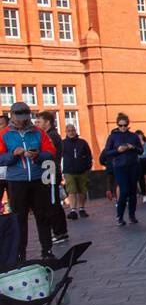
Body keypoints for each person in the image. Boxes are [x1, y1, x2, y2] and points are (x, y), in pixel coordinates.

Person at [0, 102, 57, 260]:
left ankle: (47, 251)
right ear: (12, 116)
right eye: (19, 118)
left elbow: (51, 152)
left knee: (43, 216)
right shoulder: (4, 134)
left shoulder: (38, 132)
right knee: (19, 219)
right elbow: (1, 158)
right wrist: (13, 154)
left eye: (25, 118)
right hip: (17, 182)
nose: (22, 121)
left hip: (38, 179)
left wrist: (38, 155)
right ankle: (20, 254)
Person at [101, 113, 143, 227]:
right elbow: (107, 152)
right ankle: (120, 216)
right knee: (124, 191)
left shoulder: (133, 136)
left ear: (128, 125)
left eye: (125, 125)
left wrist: (133, 147)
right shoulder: (113, 136)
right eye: (120, 125)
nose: (123, 128)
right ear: (117, 125)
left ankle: (132, 215)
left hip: (133, 165)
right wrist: (118, 150)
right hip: (119, 166)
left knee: (133, 191)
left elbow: (141, 150)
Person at [36, 112, 70, 243]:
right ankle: (60, 231)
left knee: (52, 203)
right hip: (49, 172)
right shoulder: (50, 135)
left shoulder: (51, 136)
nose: (37, 124)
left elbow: (48, 154)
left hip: (50, 172)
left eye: (39, 122)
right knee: (53, 202)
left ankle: (59, 232)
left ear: (47, 122)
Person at [61, 122, 92, 219]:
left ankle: (81, 208)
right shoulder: (63, 143)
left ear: (76, 131)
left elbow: (88, 155)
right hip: (69, 171)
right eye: (69, 131)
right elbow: (59, 156)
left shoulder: (82, 142)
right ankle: (73, 210)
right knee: (71, 190)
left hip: (82, 170)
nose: (71, 132)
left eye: (73, 130)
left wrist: (88, 166)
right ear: (66, 132)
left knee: (82, 190)